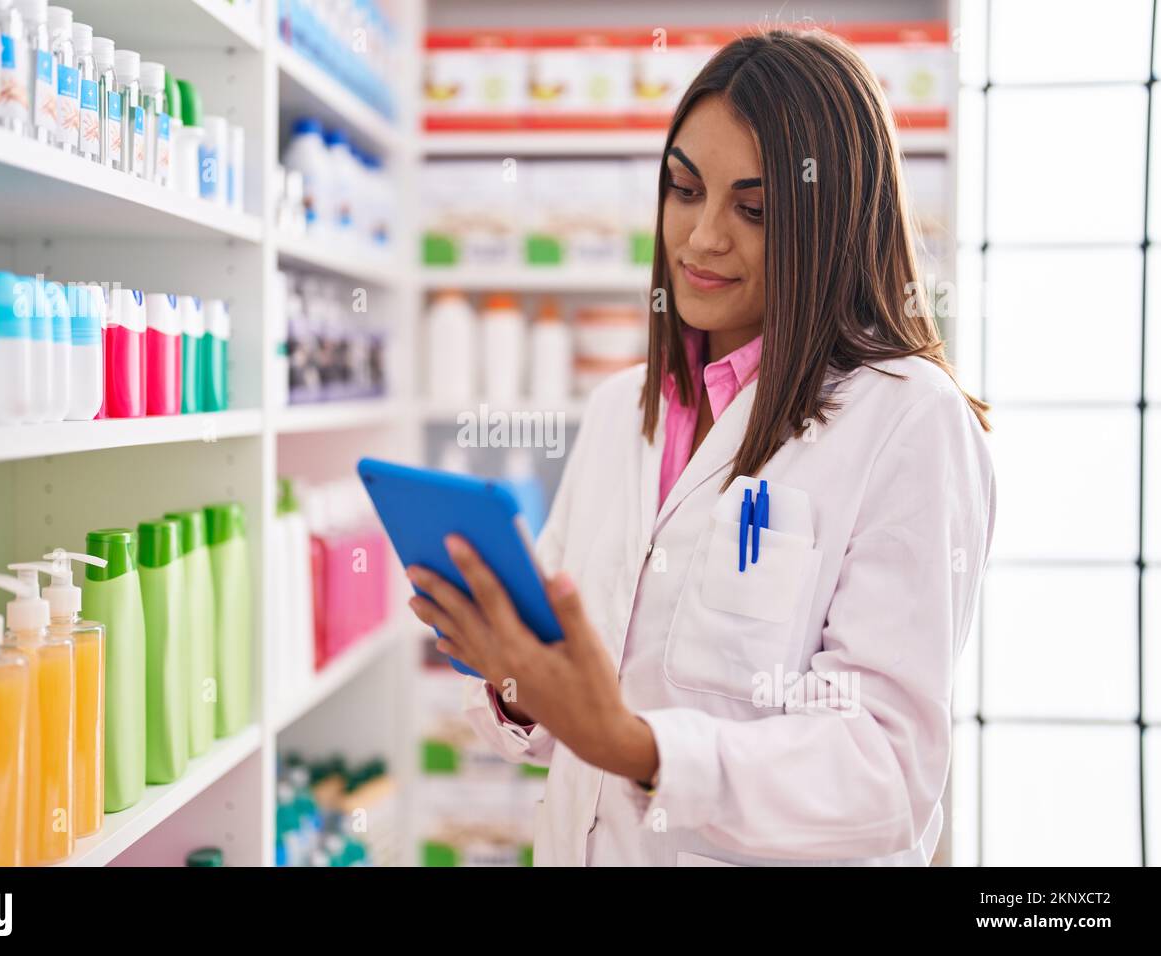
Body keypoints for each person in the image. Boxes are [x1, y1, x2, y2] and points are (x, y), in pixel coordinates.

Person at [406, 28, 995, 866]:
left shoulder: (909, 419)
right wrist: (518, 684)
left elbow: (889, 775)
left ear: (829, 221)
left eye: (753, 210)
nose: (701, 237)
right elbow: (562, 713)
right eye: (684, 190)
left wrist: (640, 747)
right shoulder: (621, 410)